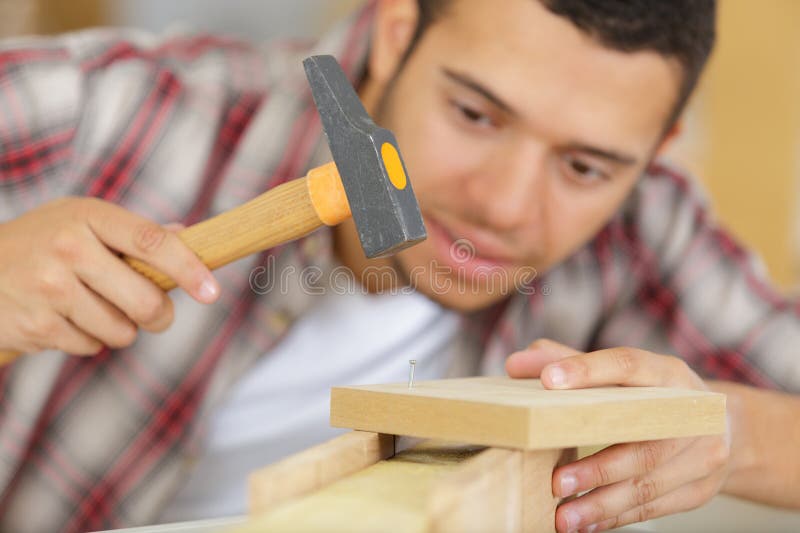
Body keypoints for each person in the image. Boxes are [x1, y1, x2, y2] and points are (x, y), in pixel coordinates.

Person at [0, 0, 798, 531]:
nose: (508, 206)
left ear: (652, 154)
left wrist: (729, 434)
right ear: (394, 31)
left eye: (585, 167)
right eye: (476, 114)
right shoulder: (105, 108)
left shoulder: (644, 226)